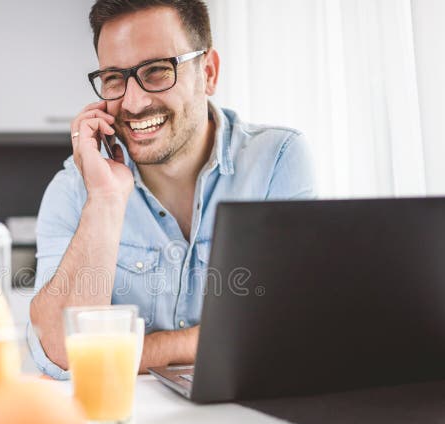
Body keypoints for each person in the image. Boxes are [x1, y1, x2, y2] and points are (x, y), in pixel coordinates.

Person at [28, 0, 316, 379]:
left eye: (158, 71)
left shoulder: (277, 160)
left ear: (208, 73)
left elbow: (291, 330)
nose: (133, 102)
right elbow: (62, 355)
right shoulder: (74, 190)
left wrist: (118, 353)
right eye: (114, 78)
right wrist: (106, 200)